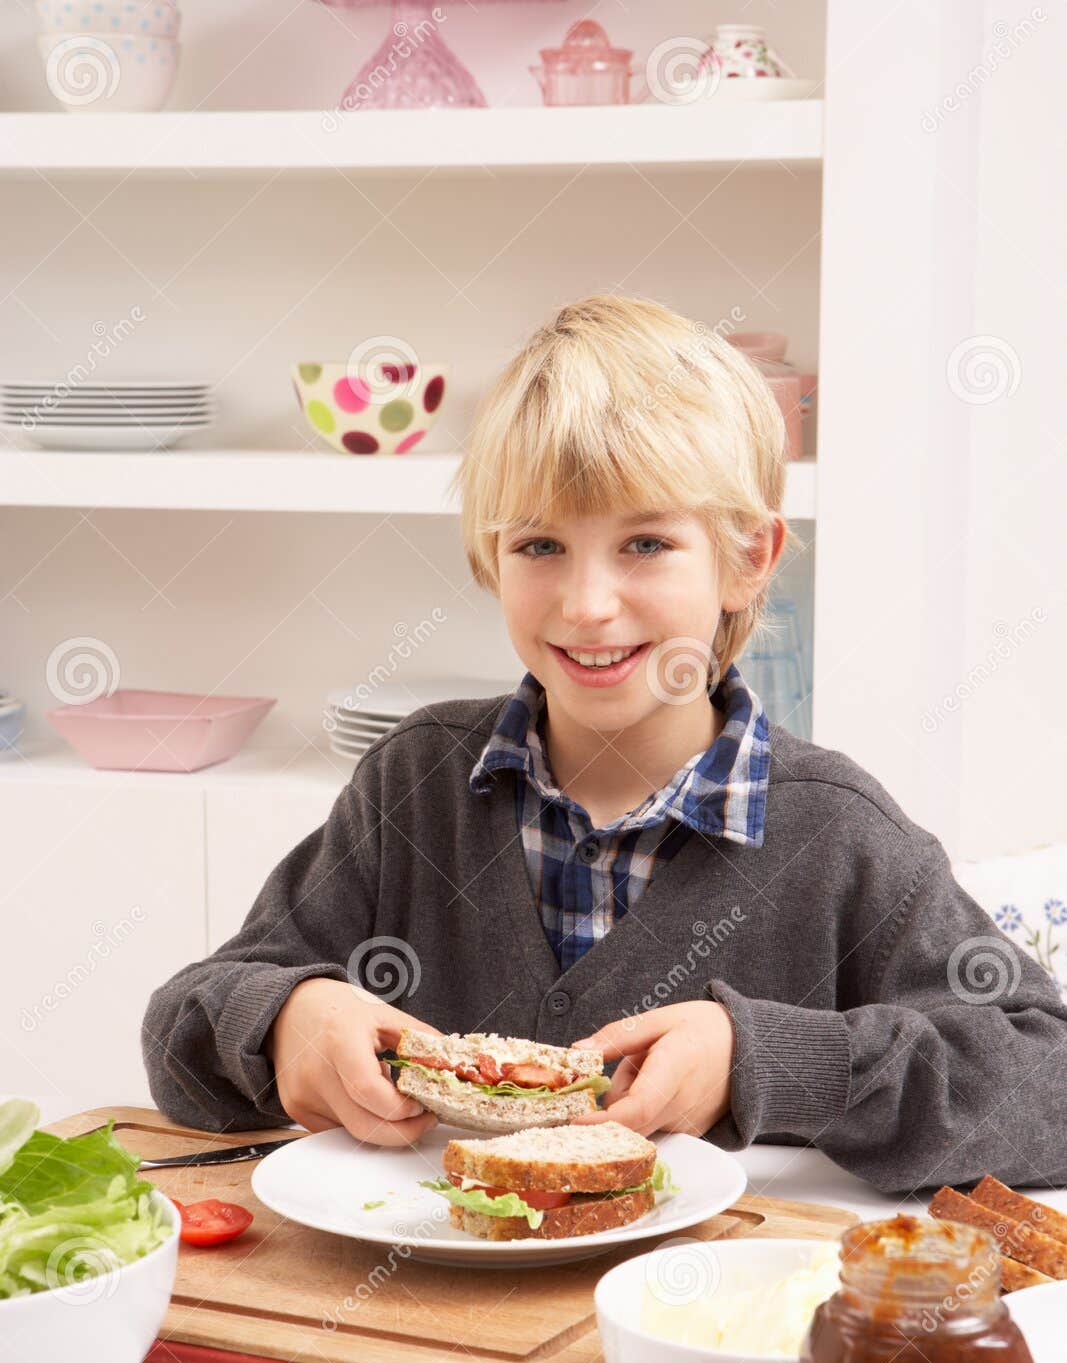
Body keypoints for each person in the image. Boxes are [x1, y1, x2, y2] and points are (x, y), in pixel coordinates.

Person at [142, 295, 1067, 1193]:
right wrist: (282, 1019)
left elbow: (1048, 1084)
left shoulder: (835, 832)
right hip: (434, 1322)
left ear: (747, 558)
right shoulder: (416, 782)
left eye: (646, 544)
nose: (587, 604)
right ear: (485, 559)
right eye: (540, 546)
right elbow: (184, 1030)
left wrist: (765, 1059)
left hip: (703, 1319)